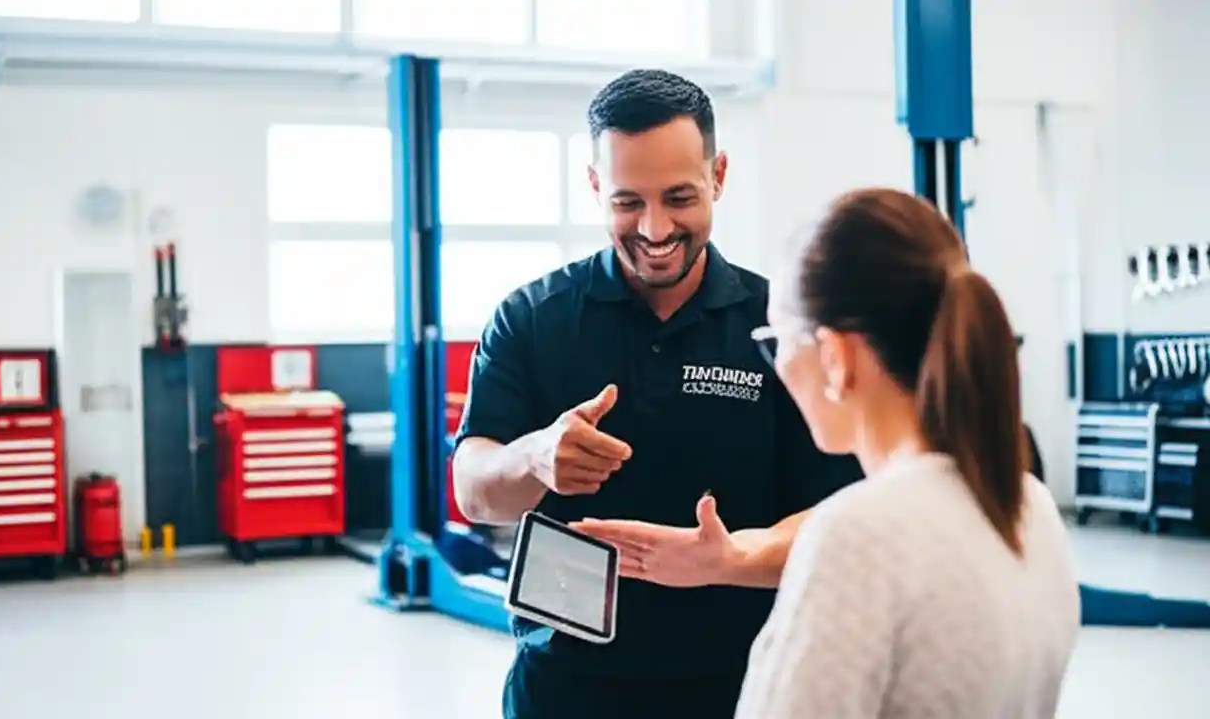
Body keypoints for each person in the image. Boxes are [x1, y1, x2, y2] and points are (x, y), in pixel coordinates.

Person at [575, 189, 1082, 717]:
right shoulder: (1029, 507)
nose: (780, 367)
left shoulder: (857, 536)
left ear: (836, 356)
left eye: (779, 343)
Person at [451, 69, 862, 719]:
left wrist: (728, 559)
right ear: (595, 186)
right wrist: (534, 456)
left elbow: (838, 520)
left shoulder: (781, 326)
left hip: (740, 686)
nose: (655, 227)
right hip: (566, 686)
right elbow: (474, 493)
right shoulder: (531, 319)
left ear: (718, 176)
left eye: (678, 197)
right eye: (627, 202)